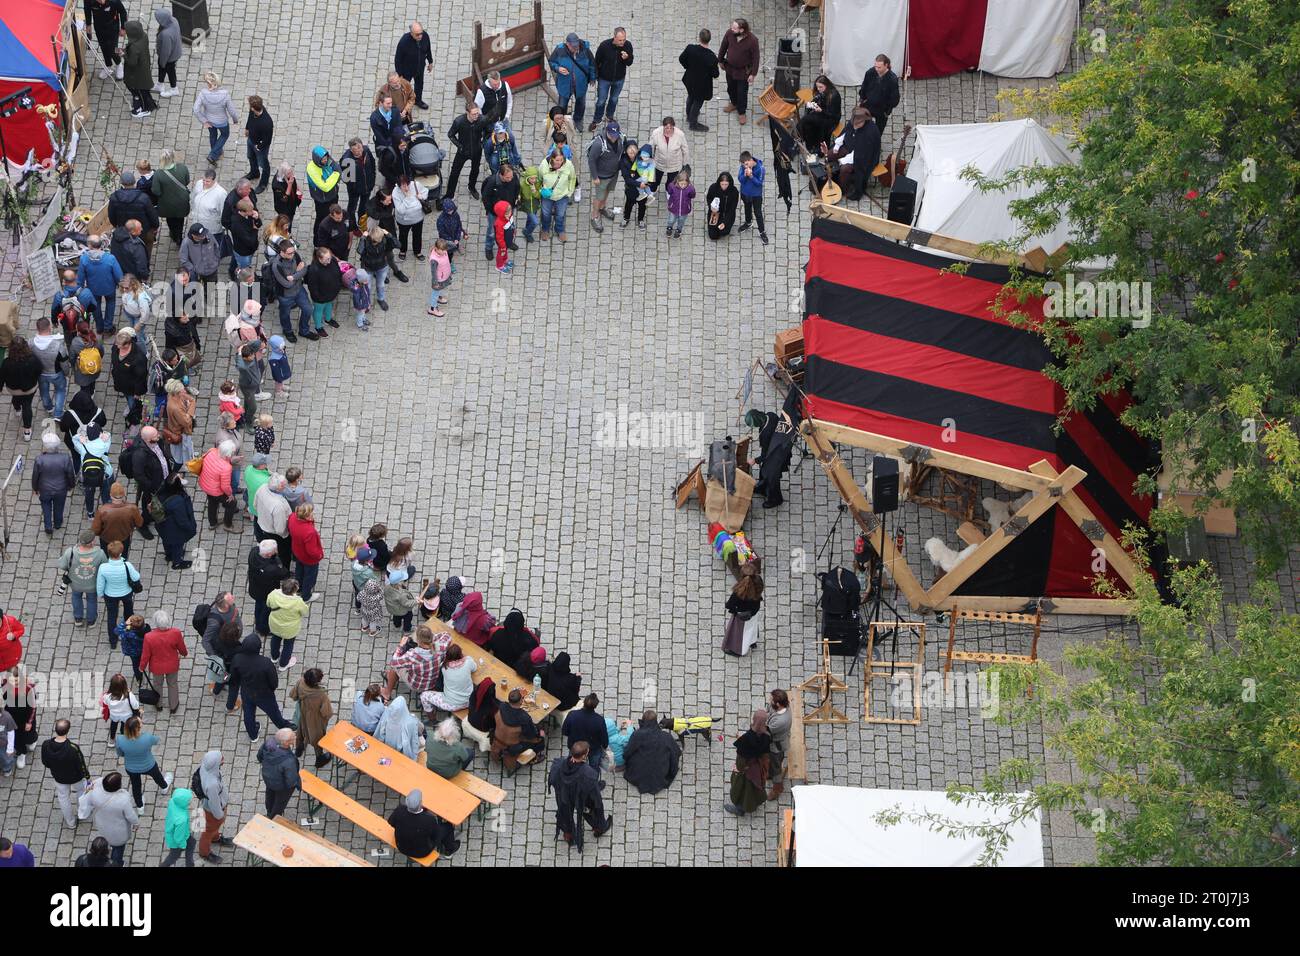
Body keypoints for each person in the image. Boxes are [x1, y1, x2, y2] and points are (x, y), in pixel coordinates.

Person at [549, 742, 612, 849]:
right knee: (591, 810)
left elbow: (553, 780)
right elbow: (595, 798)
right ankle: (598, 828)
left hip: (565, 798)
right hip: (581, 799)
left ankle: (568, 835)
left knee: (565, 814)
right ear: (584, 755)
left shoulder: (558, 764)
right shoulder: (589, 774)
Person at [232, 635, 292, 741]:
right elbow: (274, 682)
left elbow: (235, 677)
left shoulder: (237, 659)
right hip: (264, 693)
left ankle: (253, 734)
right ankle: (283, 725)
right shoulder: (265, 663)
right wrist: (271, 690)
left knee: (248, 713)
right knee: (273, 712)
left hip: (247, 691)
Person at [39, 717, 91, 826]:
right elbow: (81, 765)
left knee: (63, 798)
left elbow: (45, 762)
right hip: (76, 777)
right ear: (68, 731)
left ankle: (70, 822)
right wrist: (87, 776)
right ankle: (82, 813)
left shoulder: (46, 744)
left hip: (59, 777)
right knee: (81, 794)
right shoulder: (73, 748)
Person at [114, 715, 173, 809]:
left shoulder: (120, 739)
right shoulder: (147, 737)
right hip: (148, 765)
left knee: (135, 785)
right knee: (157, 776)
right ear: (137, 728)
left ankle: (140, 806)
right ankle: (164, 787)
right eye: (140, 723)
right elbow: (157, 740)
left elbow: (120, 753)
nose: (142, 723)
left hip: (131, 768)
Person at [824, 107, 881, 202]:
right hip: (849, 147)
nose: (855, 126)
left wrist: (844, 160)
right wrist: (837, 146)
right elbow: (844, 134)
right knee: (829, 154)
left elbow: (861, 155)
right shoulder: (853, 122)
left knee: (844, 169)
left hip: (862, 157)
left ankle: (843, 188)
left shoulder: (870, 133)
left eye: (858, 124)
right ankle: (830, 176)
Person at [622, 709, 682, 794]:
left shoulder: (637, 735)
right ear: (656, 721)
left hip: (637, 774)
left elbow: (627, 753)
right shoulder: (667, 737)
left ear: (643, 720)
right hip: (660, 775)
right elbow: (676, 752)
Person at [723, 710, 772, 815]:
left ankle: (740, 809)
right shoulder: (767, 734)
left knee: (743, 790)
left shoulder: (746, 739)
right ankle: (757, 801)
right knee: (757, 787)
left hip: (748, 771)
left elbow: (741, 762)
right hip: (759, 767)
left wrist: (739, 769)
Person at [388, 789, 459, 859]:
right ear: (421, 803)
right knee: (448, 826)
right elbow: (435, 836)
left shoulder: (399, 810)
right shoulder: (429, 819)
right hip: (422, 852)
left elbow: (391, 822)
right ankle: (450, 849)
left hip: (401, 846)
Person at [385, 624, 448, 702]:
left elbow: (393, 662)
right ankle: (394, 677)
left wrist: (400, 646)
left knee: (394, 668)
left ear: (418, 641)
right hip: (433, 681)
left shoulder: (412, 656)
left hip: (418, 685)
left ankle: (387, 693)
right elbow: (446, 635)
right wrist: (433, 638)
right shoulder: (441, 647)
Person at [141, 610, 188, 713]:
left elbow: (146, 655)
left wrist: (142, 667)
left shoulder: (149, 637)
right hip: (172, 665)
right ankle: (173, 706)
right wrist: (184, 654)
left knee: (157, 684)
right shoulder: (175, 633)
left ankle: (158, 704)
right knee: (172, 684)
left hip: (157, 667)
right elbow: (181, 648)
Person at [31, 432, 76, 534]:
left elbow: (35, 476)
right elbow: (70, 474)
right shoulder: (65, 458)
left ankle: (48, 525)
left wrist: (35, 488)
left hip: (45, 489)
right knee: (59, 506)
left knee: (46, 506)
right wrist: (71, 485)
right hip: (61, 489)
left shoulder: (39, 459)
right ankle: (57, 523)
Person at [77, 237, 123, 337]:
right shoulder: (110, 258)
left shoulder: (84, 258)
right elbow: (119, 275)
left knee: (95, 306)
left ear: (90, 246)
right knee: (111, 304)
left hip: (93, 289)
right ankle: (108, 328)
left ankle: (99, 327)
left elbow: (80, 276)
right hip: (109, 287)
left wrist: (79, 289)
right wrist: (120, 284)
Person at [96, 541, 140, 645]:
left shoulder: (103, 567)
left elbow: (100, 584)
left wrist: (100, 594)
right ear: (120, 553)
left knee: (112, 617)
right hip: (126, 593)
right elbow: (136, 577)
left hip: (110, 595)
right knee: (129, 613)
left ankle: (113, 641)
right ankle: (129, 632)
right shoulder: (127, 565)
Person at [60, 530, 106, 627]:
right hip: (92, 584)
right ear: (92, 542)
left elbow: (63, 565)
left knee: (76, 597)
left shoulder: (70, 552)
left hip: (76, 584)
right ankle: (91, 620)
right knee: (92, 600)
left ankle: (78, 618)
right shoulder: (100, 553)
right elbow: (104, 567)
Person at [590, 28, 634, 130]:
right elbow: (596, 61)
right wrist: (595, 76)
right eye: (620, 40)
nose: (623, 42)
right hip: (604, 79)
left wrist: (626, 58)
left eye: (624, 39)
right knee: (601, 100)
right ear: (614, 38)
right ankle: (597, 119)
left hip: (619, 78)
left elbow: (630, 62)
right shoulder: (604, 46)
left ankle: (609, 116)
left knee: (614, 99)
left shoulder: (628, 45)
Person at [718, 19, 760, 125]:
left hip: (743, 72)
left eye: (734, 28)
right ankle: (734, 103)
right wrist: (720, 60)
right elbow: (723, 46)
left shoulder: (753, 41)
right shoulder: (729, 33)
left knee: (742, 93)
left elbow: (756, 58)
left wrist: (753, 74)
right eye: (732, 27)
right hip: (730, 68)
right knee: (730, 88)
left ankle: (741, 112)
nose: (731, 29)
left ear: (742, 30)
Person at [289, 667, 332, 767]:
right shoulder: (321, 695)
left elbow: (293, 695)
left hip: (302, 715)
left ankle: (299, 750)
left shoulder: (300, 682)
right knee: (317, 739)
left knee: (300, 733)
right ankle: (319, 760)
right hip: (315, 721)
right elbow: (327, 713)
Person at [585, 120, 623, 232]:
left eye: (615, 135)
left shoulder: (621, 138)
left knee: (607, 191)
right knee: (598, 197)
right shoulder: (598, 144)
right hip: (601, 176)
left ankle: (602, 208)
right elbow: (591, 161)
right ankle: (594, 216)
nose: (614, 138)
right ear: (607, 131)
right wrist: (595, 177)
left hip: (613, 173)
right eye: (611, 135)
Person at [550, 33, 595, 128]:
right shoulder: (559, 50)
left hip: (580, 84)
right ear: (567, 44)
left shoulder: (585, 50)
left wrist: (592, 77)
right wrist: (558, 68)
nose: (575, 48)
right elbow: (552, 62)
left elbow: (592, 64)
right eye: (573, 46)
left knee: (581, 104)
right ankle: (562, 121)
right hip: (565, 84)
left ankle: (578, 120)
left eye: (576, 45)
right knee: (562, 105)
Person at [193, 72, 239, 164]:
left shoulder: (203, 94)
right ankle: (213, 154)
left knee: (213, 135)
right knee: (224, 135)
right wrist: (235, 120)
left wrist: (204, 121)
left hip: (209, 121)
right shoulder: (225, 94)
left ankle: (216, 153)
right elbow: (232, 111)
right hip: (222, 122)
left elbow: (196, 109)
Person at [1, 336, 40, 441]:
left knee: (16, 398)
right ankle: (27, 431)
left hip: (13, 389)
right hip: (30, 389)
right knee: (27, 406)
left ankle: (17, 409)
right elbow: (39, 371)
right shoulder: (32, 359)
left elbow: (2, 377)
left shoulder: (6, 362)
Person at [420, 643, 477, 715]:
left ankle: (432, 718)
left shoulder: (444, 667)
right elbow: (474, 668)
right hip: (469, 701)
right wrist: (467, 658)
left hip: (451, 704)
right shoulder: (468, 662)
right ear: (461, 654)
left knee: (423, 696)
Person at [680, 30, 720, 131]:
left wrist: (688, 67)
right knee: (697, 102)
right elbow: (715, 74)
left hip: (690, 79)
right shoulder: (711, 57)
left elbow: (681, 59)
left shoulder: (690, 49)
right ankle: (693, 123)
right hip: (702, 85)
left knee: (690, 96)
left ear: (699, 38)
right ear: (709, 40)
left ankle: (689, 115)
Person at [492, 687, 546, 763]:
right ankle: (534, 758)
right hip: (513, 747)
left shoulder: (502, 706)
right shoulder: (524, 718)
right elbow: (531, 735)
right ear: (521, 701)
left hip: (497, 738)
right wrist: (539, 733)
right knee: (540, 738)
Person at [194, 750, 230, 863]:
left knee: (213, 828)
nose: (223, 759)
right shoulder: (212, 784)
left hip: (210, 804)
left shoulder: (205, 767)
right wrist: (220, 815)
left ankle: (216, 838)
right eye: (221, 759)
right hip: (212, 811)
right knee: (208, 831)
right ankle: (205, 852)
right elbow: (214, 803)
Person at [256, 727, 300, 818]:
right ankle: (273, 818)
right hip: (281, 786)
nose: (295, 737)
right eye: (293, 737)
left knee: (270, 794)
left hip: (268, 779)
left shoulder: (269, 743)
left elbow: (259, 756)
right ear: (286, 743)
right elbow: (291, 781)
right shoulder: (289, 760)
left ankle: (269, 810)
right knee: (280, 802)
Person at [722, 562, 764, 656]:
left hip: (742, 616)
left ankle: (739, 651)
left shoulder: (739, 592)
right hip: (753, 612)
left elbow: (729, 605)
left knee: (742, 635)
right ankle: (753, 642)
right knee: (752, 628)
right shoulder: (759, 581)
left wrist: (734, 610)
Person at [267, 577, 309, 671]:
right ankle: (283, 665)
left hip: (275, 624)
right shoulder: (297, 601)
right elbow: (304, 612)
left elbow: (268, 604)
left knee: (275, 638)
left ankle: (274, 658)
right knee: (288, 645)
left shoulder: (273, 594)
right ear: (294, 590)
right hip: (290, 628)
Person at [91, 482, 143, 557]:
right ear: (123, 495)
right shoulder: (132, 508)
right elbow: (139, 523)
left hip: (106, 540)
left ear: (111, 495)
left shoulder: (102, 510)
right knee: (123, 556)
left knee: (106, 556)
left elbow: (95, 530)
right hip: (124, 538)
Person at [562, 693, 609, 775]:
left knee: (573, 762)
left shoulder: (572, 715)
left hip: (575, 746)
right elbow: (604, 739)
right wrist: (604, 746)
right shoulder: (599, 720)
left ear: (583, 702)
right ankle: (592, 779)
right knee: (594, 766)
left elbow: (565, 731)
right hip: (593, 748)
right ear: (595, 706)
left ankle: (572, 773)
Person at [272, 241, 310, 342]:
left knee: (308, 309)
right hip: (285, 295)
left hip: (299, 290)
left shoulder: (295, 255)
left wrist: (293, 276)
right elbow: (286, 284)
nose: (293, 255)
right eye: (289, 253)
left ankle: (304, 330)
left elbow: (304, 269)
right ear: (282, 252)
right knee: (285, 314)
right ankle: (288, 331)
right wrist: (298, 272)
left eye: (293, 252)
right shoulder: (277, 265)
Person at [248, 537, 285, 639]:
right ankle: (263, 629)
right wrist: (277, 561)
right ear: (269, 555)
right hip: (266, 593)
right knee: (266, 610)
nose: (277, 552)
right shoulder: (271, 569)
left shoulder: (254, 552)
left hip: (255, 588)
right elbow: (283, 574)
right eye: (275, 551)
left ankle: (258, 622)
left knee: (258, 605)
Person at [198, 439, 239, 531]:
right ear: (228, 454)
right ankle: (228, 525)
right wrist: (230, 495)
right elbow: (225, 487)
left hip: (205, 484)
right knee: (232, 503)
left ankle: (213, 523)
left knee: (212, 503)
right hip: (216, 490)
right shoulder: (226, 467)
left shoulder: (212, 451)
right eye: (233, 452)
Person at [254, 473, 293, 568]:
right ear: (278, 488)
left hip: (262, 524)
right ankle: (285, 570)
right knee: (284, 553)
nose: (286, 486)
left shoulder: (262, 487)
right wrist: (286, 535)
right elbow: (280, 529)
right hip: (276, 534)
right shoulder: (278, 506)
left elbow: (255, 505)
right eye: (284, 485)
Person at [287, 502, 324, 601]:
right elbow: (312, 551)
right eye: (311, 513)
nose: (313, 514)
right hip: (308, 558)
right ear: (306, 516)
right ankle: (306, 596)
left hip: (297, 551)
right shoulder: (309, 532)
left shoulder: (293, 517)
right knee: (310, 576)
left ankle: (298, 588)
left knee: (299, 570)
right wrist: (319, 555)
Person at [156, 483, 197, 570]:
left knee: (166, 540)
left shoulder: (161, 492)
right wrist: (191, 528)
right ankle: (177, 562)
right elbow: (182, 521)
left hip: (162, 525)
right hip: (174, 529)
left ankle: (169, 555)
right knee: (177, 545)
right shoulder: (177, 501)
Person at [108, 171, 160, 238]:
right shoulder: (143, 197)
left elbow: (112, 216)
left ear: (121, 183)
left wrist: (117, 225)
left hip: (125, 230)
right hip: (142, 230)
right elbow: (152, 214)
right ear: (134, 181)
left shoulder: (114, 198)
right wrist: (155, 226)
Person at [538, 149, 576, 242]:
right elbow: (539, 179)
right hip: (547, 196)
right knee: (546, 214)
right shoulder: (544, 165)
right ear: (552, 158)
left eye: (561, 160)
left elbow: (572, 178)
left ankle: (559, 229)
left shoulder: (569, 165)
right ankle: (545, 229)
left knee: (560, 214)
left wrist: (570, 192)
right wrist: (541, 190)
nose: (560, 162)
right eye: (557, 160)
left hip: (562, 195)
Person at [339, 139, 377, 232]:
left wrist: (372, 178)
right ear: (351, 150)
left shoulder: (366, 151)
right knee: (352, 208)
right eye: (356, 151)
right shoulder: (347, 160)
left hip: (367, 186)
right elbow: (346, 179)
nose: (360, 152)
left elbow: (372, 164)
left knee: (364, 206)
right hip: (355, 190)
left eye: (360, 149)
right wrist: (354, 187)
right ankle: (353, 227)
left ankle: (362, 222)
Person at [304, 247, 342, 338]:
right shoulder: (314, 270)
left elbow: (337, 272)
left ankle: (328, 319)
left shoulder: (332, 260)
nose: (330, 261)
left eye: (330, 257)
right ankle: (318, 327)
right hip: (320, 297)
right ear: (319, 259)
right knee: (319, 310)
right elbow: (312, 287)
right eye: (327, 259)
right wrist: (318, 297)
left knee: (329, 305)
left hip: (331, 293)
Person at [858, 53, 900, 136]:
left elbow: (894, 99)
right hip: (868, 105)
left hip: (881, 110)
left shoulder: (892, 79)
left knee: (878, 131)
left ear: (886, 65)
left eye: (879, 67)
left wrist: (887, 111)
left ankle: (875, 144)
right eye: (875, 66)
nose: (876, 69)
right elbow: (864, 86)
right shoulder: (870, 73)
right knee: (862, 125)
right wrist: (862, 99)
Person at [394, 22, 433, 110]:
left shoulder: (425, 36)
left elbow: (428, 49)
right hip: (407, 70)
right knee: (404, 88)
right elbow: (398, 59)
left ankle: (417, 100)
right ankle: (403, 103)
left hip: (420, 67)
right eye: (417, 34)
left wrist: (430, 62)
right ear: (411, 33)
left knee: (419, 84)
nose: (420, 36)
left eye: (421, 33)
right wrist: (399, 74)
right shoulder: (404, 42)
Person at [799, 74, 842, 153]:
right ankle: (811, 144)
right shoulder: (822, 92)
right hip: (823, 113)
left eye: (820, 87)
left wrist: (821, 110)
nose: (818, 89)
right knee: (808, 123)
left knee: (806, 120)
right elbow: (819, 100)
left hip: (831, 119)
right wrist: (813, 104)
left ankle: (808, 141)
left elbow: (833, 114)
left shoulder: (834, 96)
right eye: (817, 87)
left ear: (827, 86)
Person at [86, 0, 128, 80]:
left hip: (112, 26)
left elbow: (123, 12)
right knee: (104, 47)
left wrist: (123, 28)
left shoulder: (114, 1)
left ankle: (119, 64)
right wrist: (88, 24)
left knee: (112, 49)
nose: (101, 1)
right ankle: (108, 65)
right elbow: (87, 9)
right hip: (99, 28)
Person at [122, 20, 156, 118]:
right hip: (143, 67)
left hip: (137, 74)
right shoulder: (144, 36)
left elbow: (132, 62)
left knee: (140, 91)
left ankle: (145, 109)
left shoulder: (134, 47)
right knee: (143, 91)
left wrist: (124, 54)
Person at [649, 117, 690, 196]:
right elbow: (650, 146)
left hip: (674, 164)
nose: (669, 130)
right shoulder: (656, 133)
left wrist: (685, 164)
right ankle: (653, 189)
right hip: (659, 162)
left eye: (671, 127)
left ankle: (668, 190)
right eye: (666, 127)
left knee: (671, 180)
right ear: (663, 126)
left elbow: (685, 149)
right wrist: (649, 159)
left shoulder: (680, 135)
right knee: (655, 179)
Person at [375, 695, 424, 760]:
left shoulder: (387, 714)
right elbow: (412, 740)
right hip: (402, 751)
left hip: (388, 745)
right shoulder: (411, 722)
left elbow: (381, 732)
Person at [392, 176, 429, 260]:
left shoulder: (416, 185)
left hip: (418, 218)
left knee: (417, 235)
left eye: (407, 184)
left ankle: (417, 251)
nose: (406, 187)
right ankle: (403, 250)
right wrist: (408, 198)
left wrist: (421, 197)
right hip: (403, 221)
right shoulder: (395, 193)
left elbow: (425, 191)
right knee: (403, 236)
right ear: (398, 186)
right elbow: (400, 210)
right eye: (403, 185)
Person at [306, 146, 342, 232]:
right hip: (322, 200)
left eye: (326, 158)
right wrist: (335, 175)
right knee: (321, 219)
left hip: (333, 195)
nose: (326, 160)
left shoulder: (327, 159)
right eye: (323, 159)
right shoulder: (311, 169)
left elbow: (338, 170)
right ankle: (317, 239)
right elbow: (325, 187)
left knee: (332, 216)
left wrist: (334, 176)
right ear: (317, 159)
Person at [766, 689, 793, 800]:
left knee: (776, 768)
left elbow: (767, 731)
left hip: (776, 747)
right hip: (773, 742)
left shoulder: (781, 721)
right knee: (771, 763)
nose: (769, 701)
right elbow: (768, 710)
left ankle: (777, 788)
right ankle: (770, 773)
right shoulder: (778, 707)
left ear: (778, 704)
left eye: (771, 700)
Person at [737, 150, 769, 244]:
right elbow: (740, 180)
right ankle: (748, 222)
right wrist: (745, 175)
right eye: (744, 165)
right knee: (747, 208)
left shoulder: (760, 168)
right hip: (745, 193)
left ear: (751, 160)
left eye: (747, 164)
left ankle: (762, 231)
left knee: (758, 213)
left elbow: (759, 183)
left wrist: (751, 176)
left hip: (756, 195)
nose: (745, 166)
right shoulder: (743, 167)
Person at [243, 95, 273, 193]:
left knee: (264, 164)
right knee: (250, 156)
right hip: (251, 140)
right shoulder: (253, 111)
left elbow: (267, 139)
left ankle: (263, 183)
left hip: (260, 146)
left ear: (253, 107)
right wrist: (247, 128)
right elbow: (250, 118)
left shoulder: (267, 122)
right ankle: (254, 173)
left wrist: (259, 146)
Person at [160, 787, 196, 866]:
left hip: (173, 831)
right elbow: (178, 838)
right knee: (174, 856)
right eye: (189, 801)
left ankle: (190, 864)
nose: (191, 801)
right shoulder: (181, 820)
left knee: (192, 842)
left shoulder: (173, 801)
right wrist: (183, 845)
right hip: (176, 842)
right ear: (183, 802)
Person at [152, 8, 182, 99]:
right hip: (175, 50)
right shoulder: (174, 20)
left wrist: (162, 62)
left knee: (170, 71)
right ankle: (160, 84)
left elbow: (166, 51)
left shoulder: (166, 34)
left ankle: (174, 89)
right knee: (163, 68)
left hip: (169, 57)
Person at [619, 139, 648, 228]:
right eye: (629, 148)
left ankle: (640, 219)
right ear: (626, 150)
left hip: (643, 189)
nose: (632, 150)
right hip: (631, 188)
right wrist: (639, 184)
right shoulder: (623, 161)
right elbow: (627, 179)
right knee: (629, 204)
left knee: (642, 205)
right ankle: (626, 218)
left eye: (634, 148)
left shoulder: (642, 158)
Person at [100, 674, 138, 740]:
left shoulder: (107, 696)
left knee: (113, 725)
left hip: (114, 715)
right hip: (126, 716)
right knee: (124, 727)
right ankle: (123, 738)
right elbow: (135, 706)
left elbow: (105, 703)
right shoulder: (129, 696)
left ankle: (112, 739)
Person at [706, 171, 739, 240]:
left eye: (726, 184)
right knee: (713, 236)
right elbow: (709, 198)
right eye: (722, 184)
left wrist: (725, 222)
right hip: (715, 213)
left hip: (727, 214)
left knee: (724, 232)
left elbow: (732, 209)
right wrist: (711, 207)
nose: (724, 186)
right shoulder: (713, 188)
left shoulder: (734, 191)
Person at [665, 169, 696, 240]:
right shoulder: (672, 186)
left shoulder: (690, 188)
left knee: (681, 221)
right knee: (671, 220)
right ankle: (669, 228)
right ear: (677, 181)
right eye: (681, 184)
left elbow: (693, 195)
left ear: (688, 182)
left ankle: (678, 230)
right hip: (673, 208)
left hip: (684, 209)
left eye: (685, 184)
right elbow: (669, 192)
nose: (683, 186)